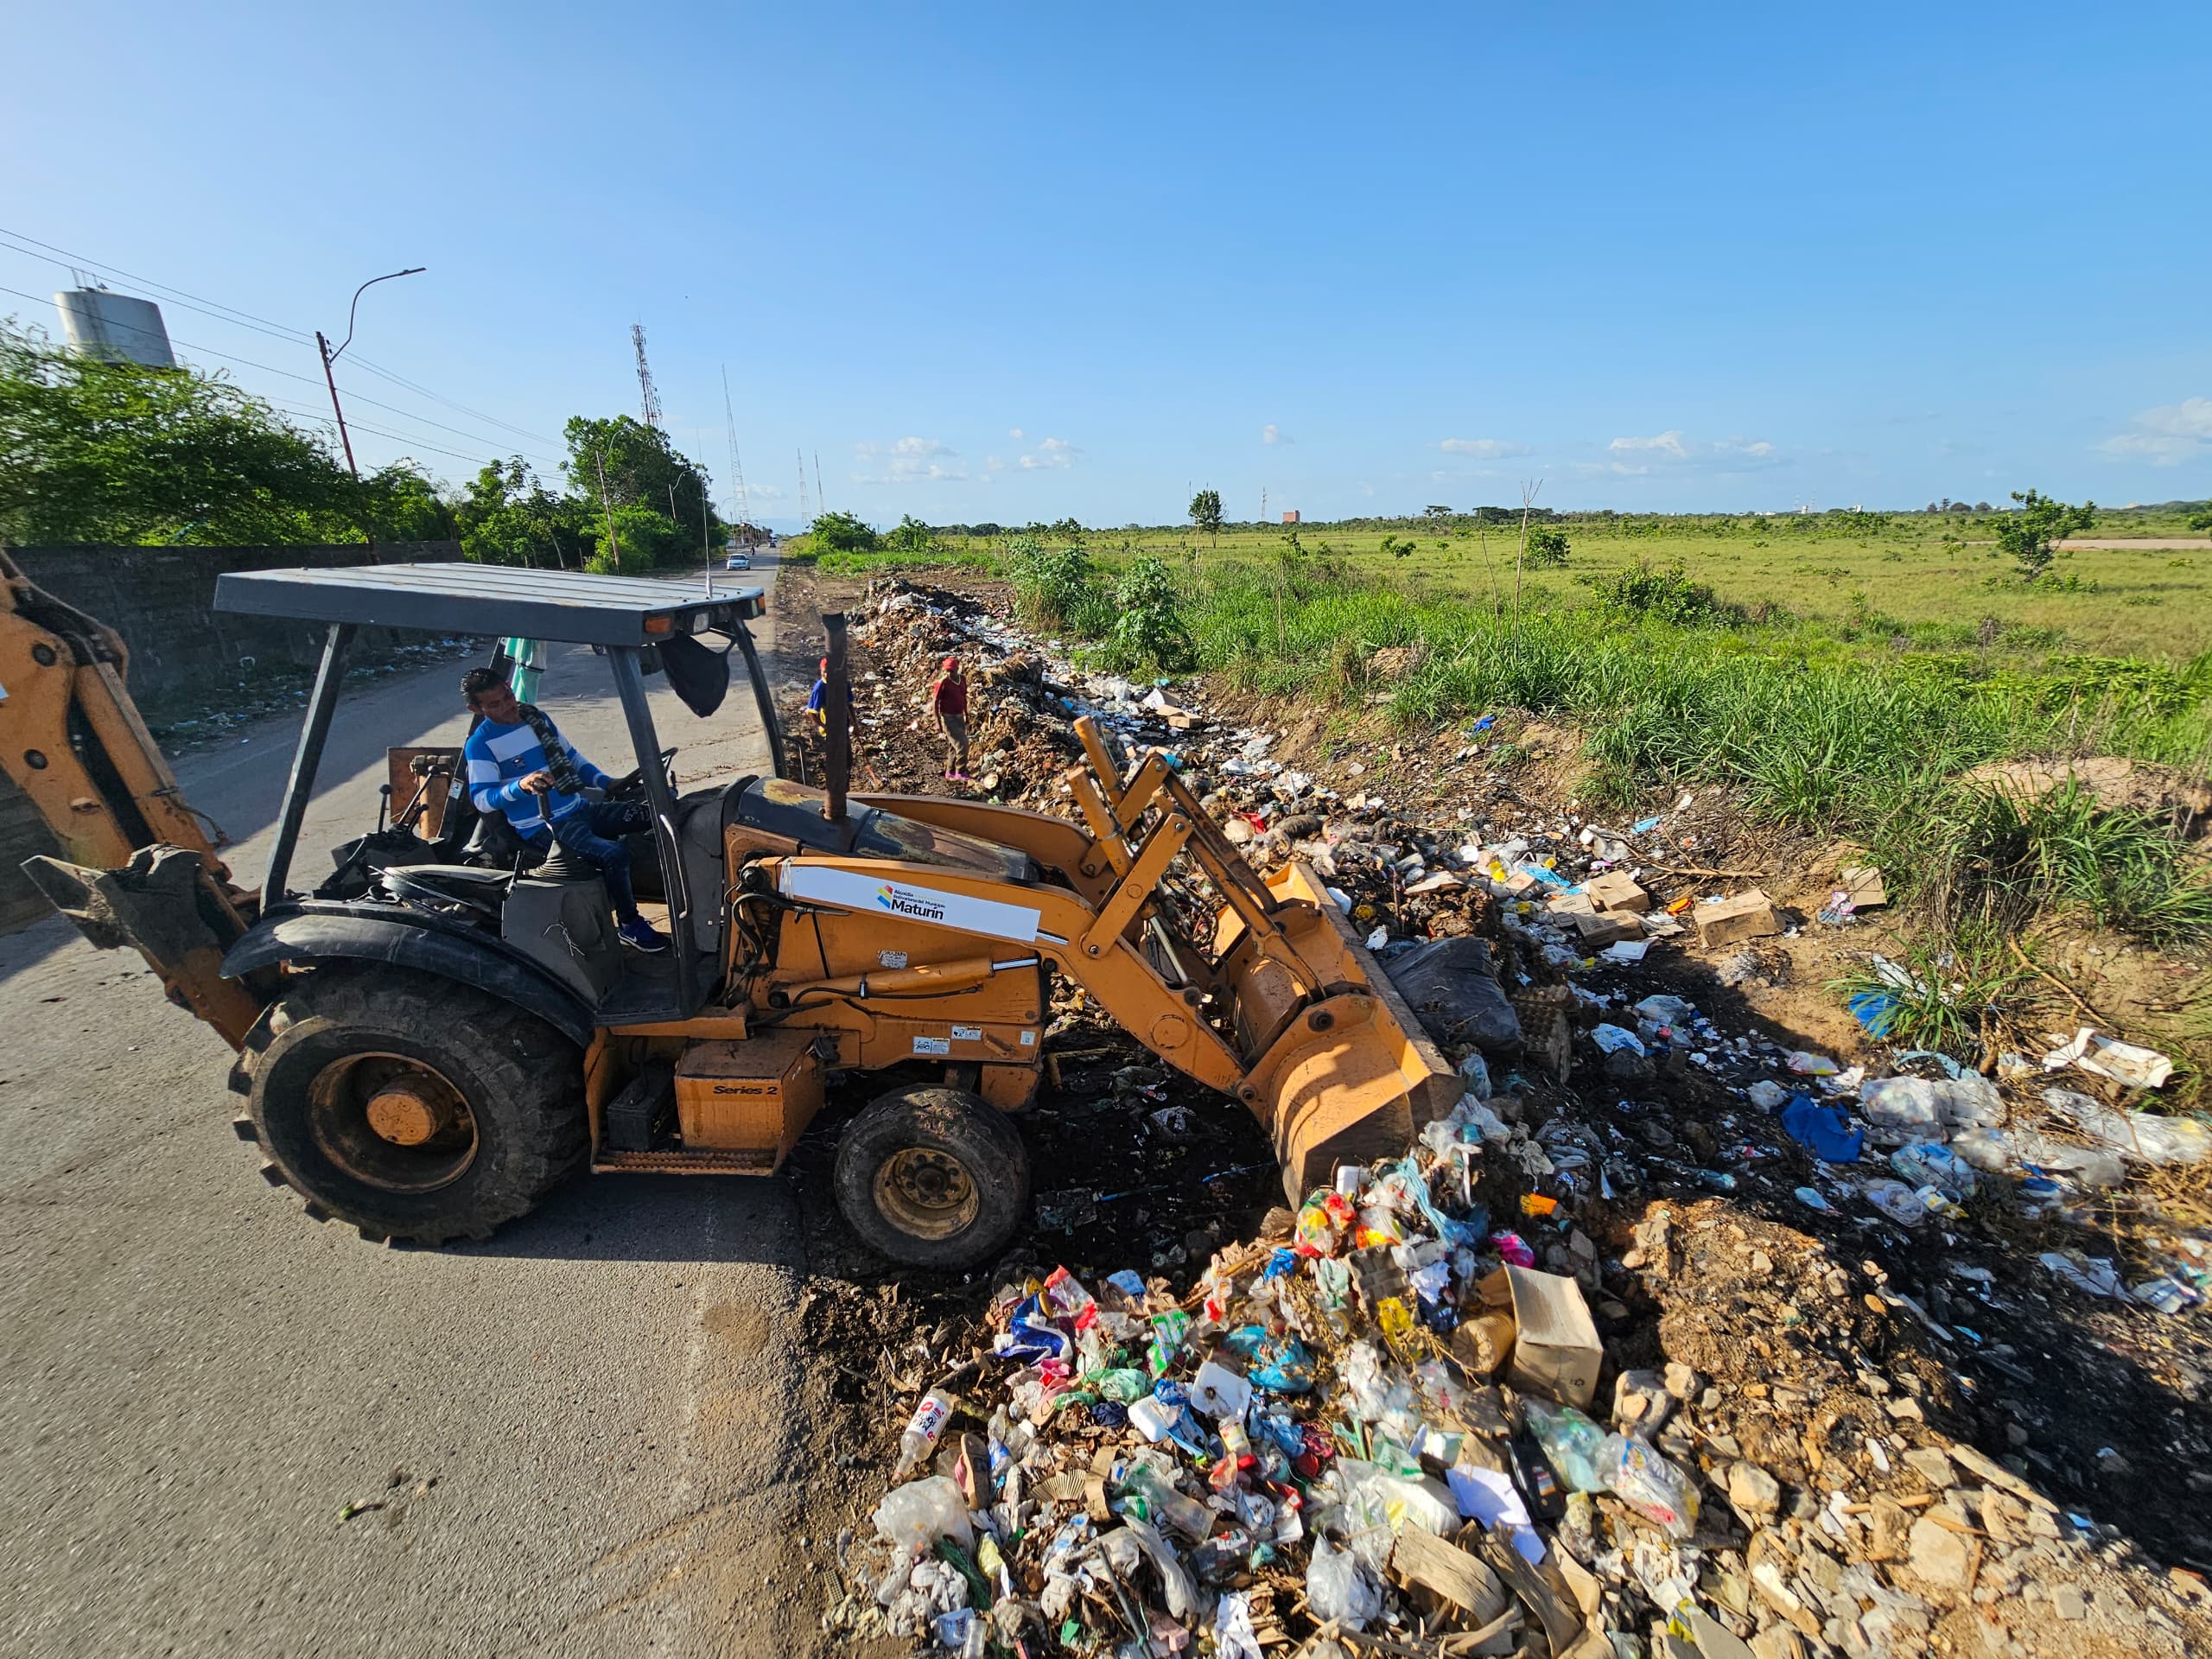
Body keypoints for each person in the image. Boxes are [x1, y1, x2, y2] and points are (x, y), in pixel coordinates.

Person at [459, 666, 668, 953]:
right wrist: (520, 785)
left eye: (508, 696)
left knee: (656, 815)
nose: (508, 706)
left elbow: (572, 760)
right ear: (476, 708)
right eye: (495, 704)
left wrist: (608, 783)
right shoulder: (480, 745)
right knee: (613, 853)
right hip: (545, 827)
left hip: (579, 808)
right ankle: (630, 925)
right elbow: (482, 799)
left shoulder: (535, 719)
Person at [930, 655, 969, 782]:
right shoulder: (943, 682)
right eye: (947, 671)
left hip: (959, 716)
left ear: (957, 669)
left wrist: (966, 714)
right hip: (948, 718)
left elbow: (964, 697)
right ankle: (961, 772)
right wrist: (937, 722)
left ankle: (950, 772)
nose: (949, 673)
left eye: (952, 670)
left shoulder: (962, 680)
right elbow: (935, 702)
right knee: (963, 744)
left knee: (953, 746)